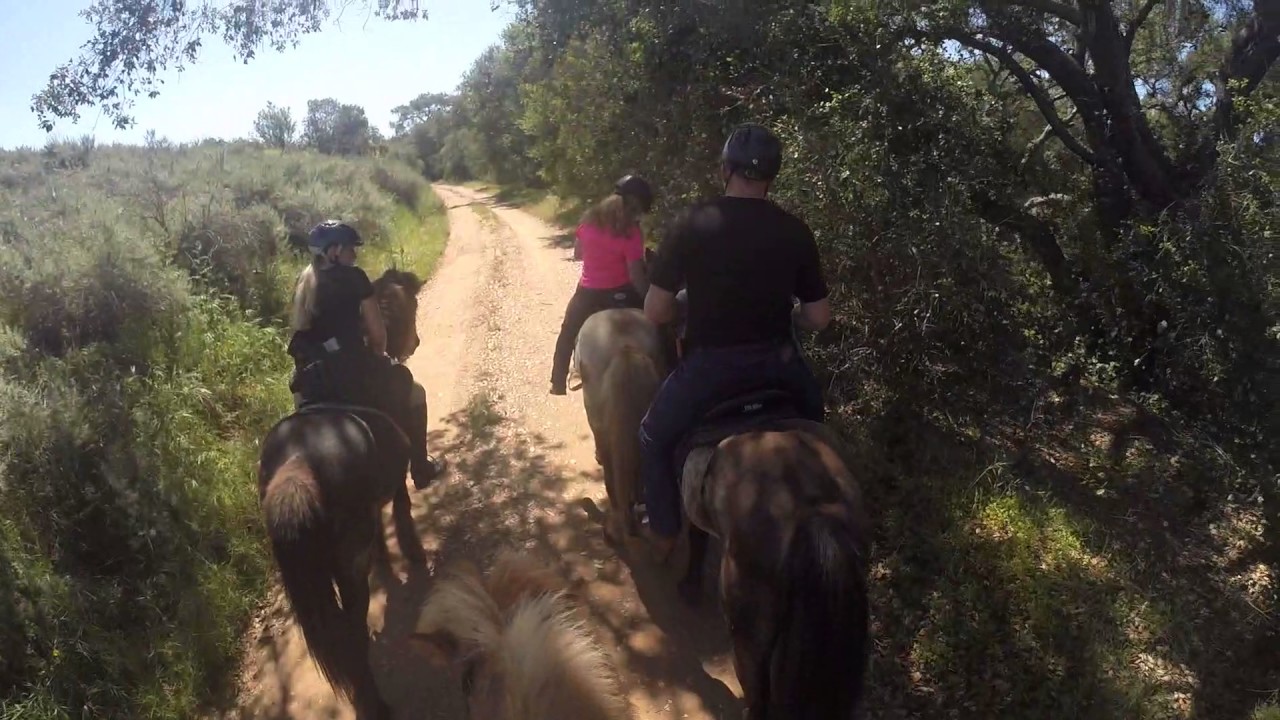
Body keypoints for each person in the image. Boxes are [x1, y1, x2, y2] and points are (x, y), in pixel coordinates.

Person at [638, 123, 831, 559]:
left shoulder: (691, 223)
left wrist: (682, 309)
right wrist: (791, 314)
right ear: (773, 176)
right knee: (819, 430)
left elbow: (654, 312)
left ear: (725, 168)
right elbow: (818, 317)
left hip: (711, 370)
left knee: (652, 437)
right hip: (780, 365)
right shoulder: (795, 230)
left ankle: (665, 528)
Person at [287, 220, 445, 489]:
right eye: (350, 249)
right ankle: (420, 467)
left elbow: (302, 330)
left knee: (300, 401)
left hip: (314, 378)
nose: (355, 254)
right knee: (416, 392)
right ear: (334, 251)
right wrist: (378, 355)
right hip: (353, 376)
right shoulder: (355, 278)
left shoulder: (304, 282)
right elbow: (379, 335)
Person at [548, 174, 655, 395]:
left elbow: (577, 254)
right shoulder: (632, 232)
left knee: (568, 332)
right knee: (661, 327)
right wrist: (648, 300)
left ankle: (558, 381)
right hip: (625, 294)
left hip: (589, 294)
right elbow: (635, 274)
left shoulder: (588, 222)